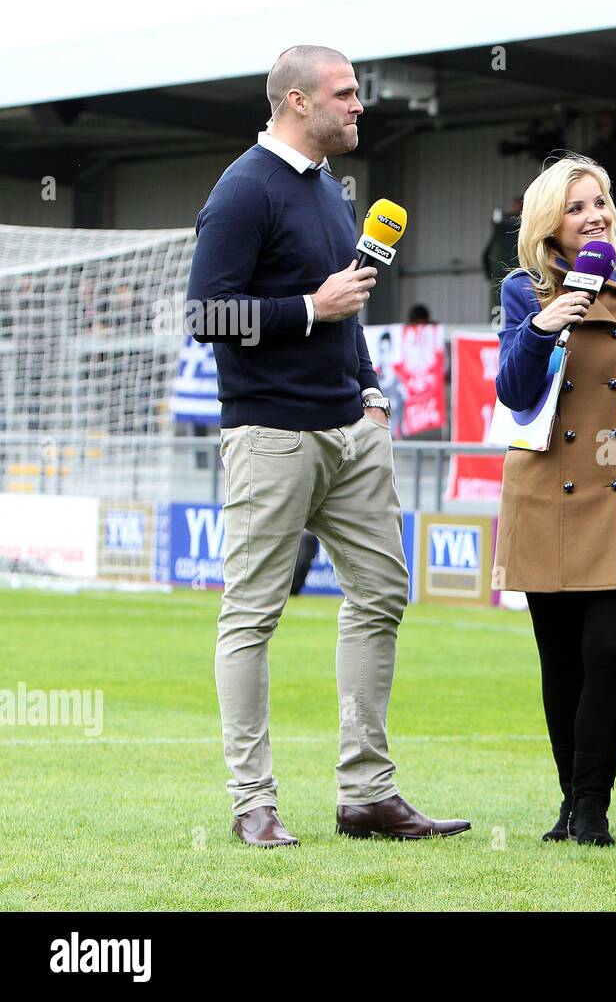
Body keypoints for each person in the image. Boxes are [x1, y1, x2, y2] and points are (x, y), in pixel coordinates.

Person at [187, 44, 469, 847]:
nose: (359, 107)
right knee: (252, 616)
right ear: (297, 102)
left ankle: (366, 793)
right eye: (345, 95)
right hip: (272, 434)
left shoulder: (330, 193)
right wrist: (308, 308)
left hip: (353, 428)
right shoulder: (242, 190)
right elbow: (208, 316)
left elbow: (351, 301)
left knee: (381, 593)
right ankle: (253, 802)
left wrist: (372, 388)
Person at [492, 154, 616, 846]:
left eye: (600, 201)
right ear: (551, 222)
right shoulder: (523, 290)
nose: (595, 214)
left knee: (610, 652)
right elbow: (513, 393)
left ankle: (594, 807)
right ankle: (569, 801)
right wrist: (545, 326)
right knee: (560, 658)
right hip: (544, 486)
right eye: (577, 206)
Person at [483, 197, 523, 316]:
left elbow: (487, 254)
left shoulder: (501, 225)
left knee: (500, 307)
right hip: (508, 273)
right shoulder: (504, 226)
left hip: (504, 273)